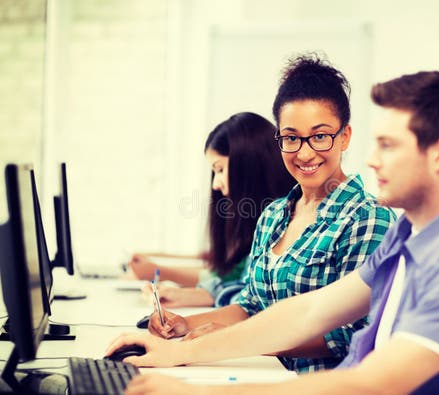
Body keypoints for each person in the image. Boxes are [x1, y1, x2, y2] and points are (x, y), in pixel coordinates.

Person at [107, 70, 439, 395]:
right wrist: (178, 353)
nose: (371, 160)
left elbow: (372, 384)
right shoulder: (412, 231)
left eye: (387, 145)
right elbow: (309, 312)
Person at [143, 54, 395, 373]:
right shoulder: (274, 215)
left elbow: (353, 335)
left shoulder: (369, 219)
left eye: (319, 136)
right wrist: (184, 325)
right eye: (291, 137)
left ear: (344, 136)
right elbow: (251, 306)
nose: (304, 152)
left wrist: (235, 341)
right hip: (266, 373)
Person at [132, 112, 296, 307]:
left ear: (248, 167)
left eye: (220, 169)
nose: (215, 184)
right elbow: (234, 281)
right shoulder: (257, 219)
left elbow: (249, 295)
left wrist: (161, 272)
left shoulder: (285, 220)